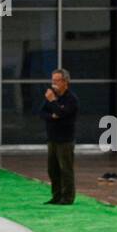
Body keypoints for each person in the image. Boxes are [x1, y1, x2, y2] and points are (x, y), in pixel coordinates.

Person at [41, 67, 79, 205]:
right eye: (53, 80)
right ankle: (56, 195)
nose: (54, 84)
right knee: (52, 169)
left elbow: (63, 114)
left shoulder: (71, 99)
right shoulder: (52, 96)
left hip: (65, 139)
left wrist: (53, 103)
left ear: (65, 81)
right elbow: (42, 113)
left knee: (66, 169)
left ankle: (68, 197)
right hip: (52, 138)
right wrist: (53, 115)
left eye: (57, 81)